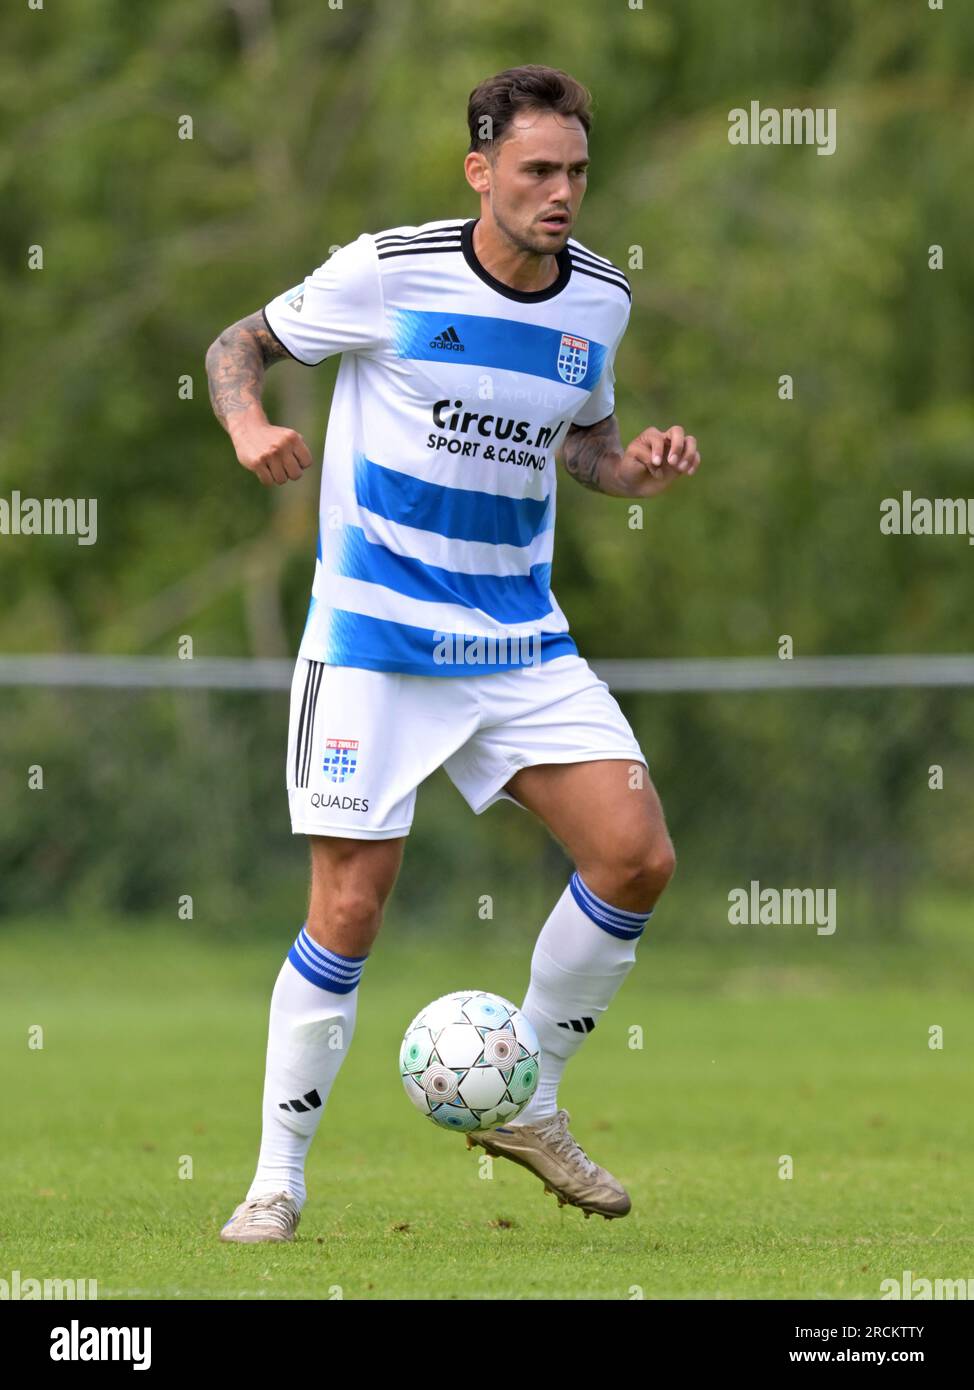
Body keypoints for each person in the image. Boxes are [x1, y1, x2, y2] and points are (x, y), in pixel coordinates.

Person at [205, 64, 700, 1243]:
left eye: (576, 170)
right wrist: (248, 424)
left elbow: (585, 445)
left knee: (634, 857)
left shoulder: (598, 304)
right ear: (480, 172)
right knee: (350, 904)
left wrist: (635, 471)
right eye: (536, 169)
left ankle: (525, 1095)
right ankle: (275, 1179)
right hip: (374, 632)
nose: (561, 192)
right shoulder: (387, 270)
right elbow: (237, 342)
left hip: (517, 635)